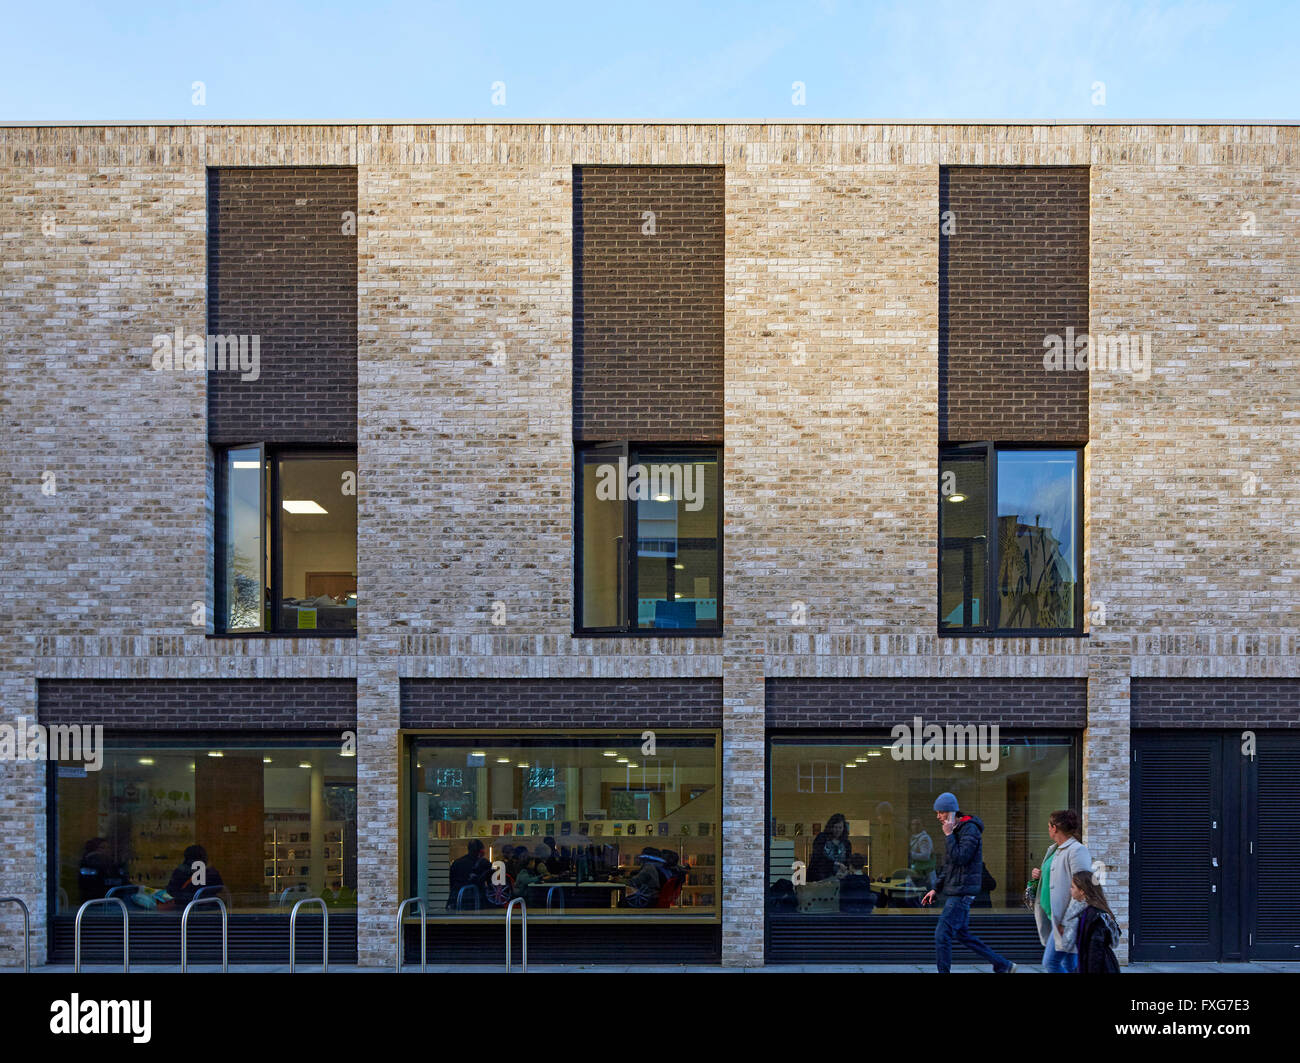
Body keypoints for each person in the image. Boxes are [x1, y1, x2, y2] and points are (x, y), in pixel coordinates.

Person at [921, 792, 1016, 974]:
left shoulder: (969, 829)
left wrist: (949, 835)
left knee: (942, 934)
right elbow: (949, 865)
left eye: (940, 812)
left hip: (961, 892)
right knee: (963, 935)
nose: (938, 816)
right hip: (956, 890)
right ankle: (1003, 964)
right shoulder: (956, 830)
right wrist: (935, 888)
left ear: (950, 812)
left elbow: (961, 858)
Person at [1030, 809, 1093, 973]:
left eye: (1049, 826)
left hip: (1066, 919)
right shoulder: (1055, 849)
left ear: (1055, 828)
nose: (1048, 829)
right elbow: (1058, 875)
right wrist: (1040, 874)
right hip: (1054, 916)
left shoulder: (1077, 850)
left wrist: (1067, 921)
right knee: (1069, 965)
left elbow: (1083, 888)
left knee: (1051, 963)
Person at [1068, 870, 1122, 973]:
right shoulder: (1087, 911)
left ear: (1082, 891)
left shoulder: (1093, 915)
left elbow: (1095, 951)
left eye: (1072, 887)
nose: (1070, 890)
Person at [77, 837, 127, 903]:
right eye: (102, 848)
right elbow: (88, 886)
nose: (106, 850)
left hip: (116, 903)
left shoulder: (115, 866)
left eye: (108, 848)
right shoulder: (88, 865)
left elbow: (124, 884)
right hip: (93, 904)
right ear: (94, 849)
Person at [808, 813, 852, 882]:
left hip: (839, 879)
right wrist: (836, 864)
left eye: (840, 828)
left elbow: (848, 861)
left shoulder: (846, 843)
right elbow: (817, 857)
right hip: (820, 878)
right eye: (835, 827)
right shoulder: (821, 838)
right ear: (831, 827)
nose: (837, 830)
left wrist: (845, 870)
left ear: (844, 828)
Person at [447, 839, 490, 909]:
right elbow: (488, 882)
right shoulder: (483, 863)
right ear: (481, 851)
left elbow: (452, 883)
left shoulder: (457, 863)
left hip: (458, 898)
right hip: (477, 899)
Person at [909, 817, 936, 886]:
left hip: (926, 874)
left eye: (918, 824)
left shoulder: (924, 838)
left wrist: (910, 854)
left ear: (922, 826)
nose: (915, 827)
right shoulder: (914, 838)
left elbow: (925, 856)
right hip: (918, 873)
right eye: (913, 824)